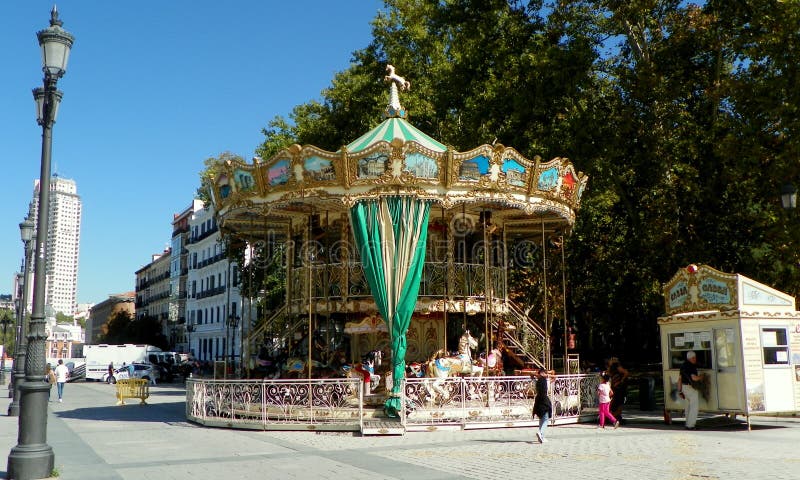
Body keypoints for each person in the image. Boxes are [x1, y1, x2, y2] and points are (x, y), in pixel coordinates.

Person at [678, 350, 703, 430]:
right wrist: (701, 377)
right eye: (694, 357)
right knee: (694, 407)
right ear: (692, 358)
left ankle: (687, 423)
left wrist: (679, 391)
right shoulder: (691, 366)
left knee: (687, 407)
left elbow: (679, 379)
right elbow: (694, 378)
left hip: (684, 387)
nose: (695, 359)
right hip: (691, 388)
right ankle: (691, 425)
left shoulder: (683, 366)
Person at [532, 367, 556, 443]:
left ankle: (541, 437)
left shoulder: (536, 381)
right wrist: (548, 375)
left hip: (538, 400)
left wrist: (538, 375)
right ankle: (540, 432)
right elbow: (554, 377)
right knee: (545, 419)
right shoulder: (547, 380)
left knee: (541, 417)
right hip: (544, 400)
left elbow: (531, 376)